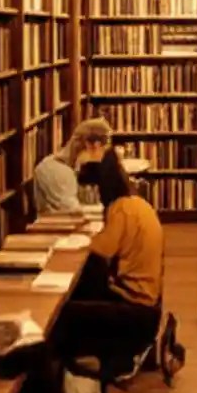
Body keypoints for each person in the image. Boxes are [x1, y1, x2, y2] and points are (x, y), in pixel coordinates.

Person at [58, 150, 164, 362]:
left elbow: (101, 250)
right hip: (149, 306)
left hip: (136, 310)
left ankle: (70, 377)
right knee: (87, 286)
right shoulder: (137, 204)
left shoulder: (120, 209)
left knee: (63, 314)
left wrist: (73, 243)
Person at [33, 118, 113, 215]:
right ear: (93, 146)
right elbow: (73, 211)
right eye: (104, 149)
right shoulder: (56, 170)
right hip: (56, 227)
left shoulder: (73, 167)